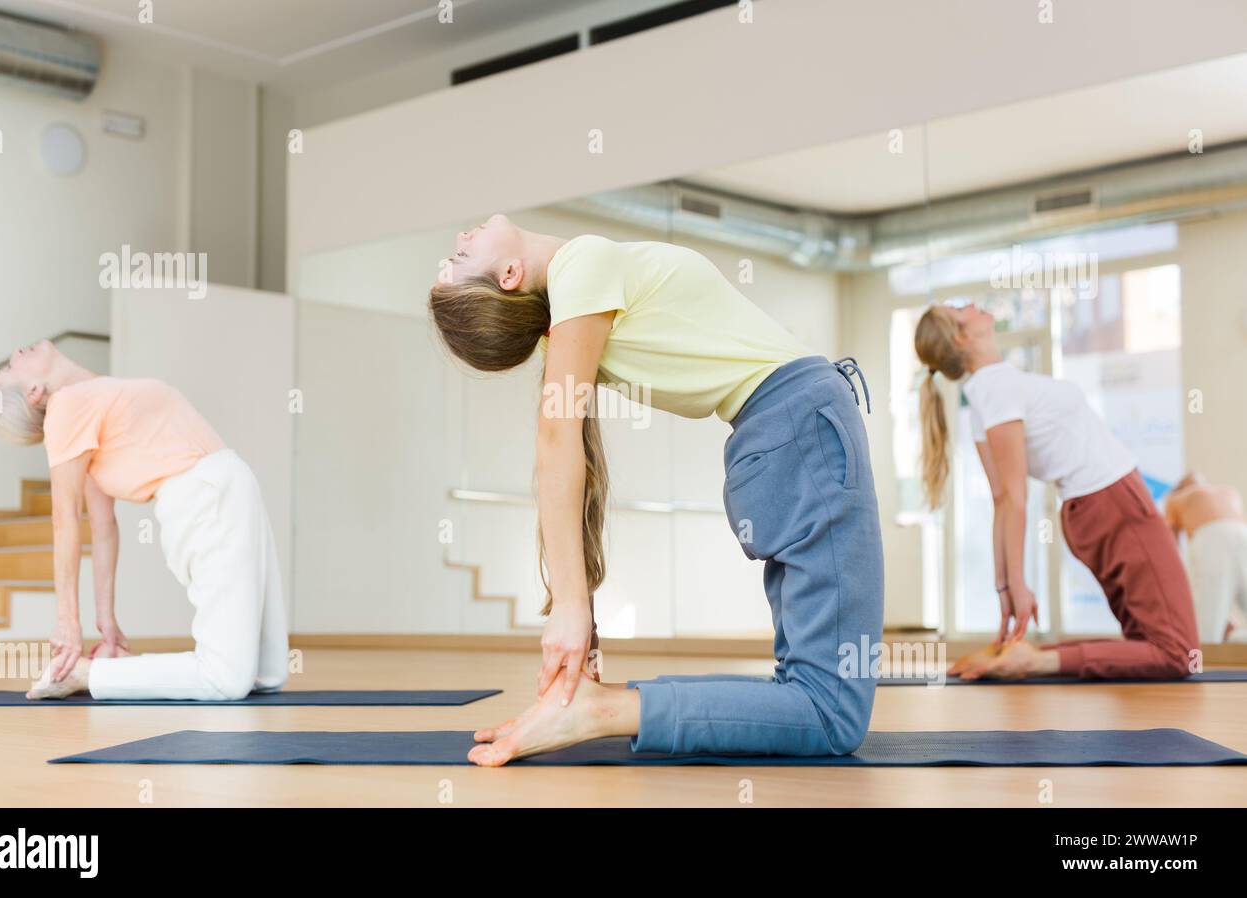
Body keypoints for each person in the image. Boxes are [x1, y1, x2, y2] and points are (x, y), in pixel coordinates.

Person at [429, 214, 883, 765]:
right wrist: (573, 608)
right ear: (508, 274)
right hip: (798, 428)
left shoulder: (577, 306)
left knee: (814, 694)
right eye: (458, 262)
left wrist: (581, 612)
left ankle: (600, 708)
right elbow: (558, 443)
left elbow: (576, 460)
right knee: (828, 711)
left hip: (783, 437)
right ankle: (602, 711)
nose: (459, 241)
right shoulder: (582, 264)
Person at [0, 340, 287, 700]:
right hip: (204, 497)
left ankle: (108, 666)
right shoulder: (66, 408)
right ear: (34, 391)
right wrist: (67, 621)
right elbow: (66, 521)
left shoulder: (94, 398)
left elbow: (104, 529)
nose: (16, 354)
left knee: (269, 670)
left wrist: (106, 623)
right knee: (225, 679)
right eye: (10, 370)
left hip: (231, 485)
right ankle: (88, 675)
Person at [914, 302, 1198, 680]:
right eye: (959, 310)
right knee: (1179, 652)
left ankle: (1025, 656)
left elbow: (1002, 499)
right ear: (960, 337)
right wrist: (1016, 584)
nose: (972, 305)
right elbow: (1013, 498)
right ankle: (1037, 660)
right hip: (1113, 501)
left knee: (1147, 640)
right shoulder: (996, 386)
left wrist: (1005, 588)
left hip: (1094, 509)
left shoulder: (985, 391)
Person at [1166, 471, 1247, 643]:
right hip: (1243, 534)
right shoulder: (1228, 491)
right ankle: (1232, 636)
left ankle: (1216, 649)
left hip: (1211, 539)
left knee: (1206, 632)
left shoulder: (1175, 498)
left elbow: (1172, 547)